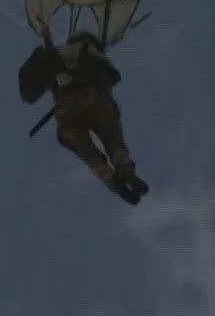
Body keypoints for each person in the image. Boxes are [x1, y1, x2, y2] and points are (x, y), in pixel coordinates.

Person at [20, 30, 149, 205]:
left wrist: (48, 45)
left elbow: (48, 68)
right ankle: (125, 169)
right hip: (94, 101)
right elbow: (113, 77)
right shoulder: (90, 53)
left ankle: (110, 179)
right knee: (112, 139)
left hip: (66, 110)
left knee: (86, 151)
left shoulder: (61, 53)